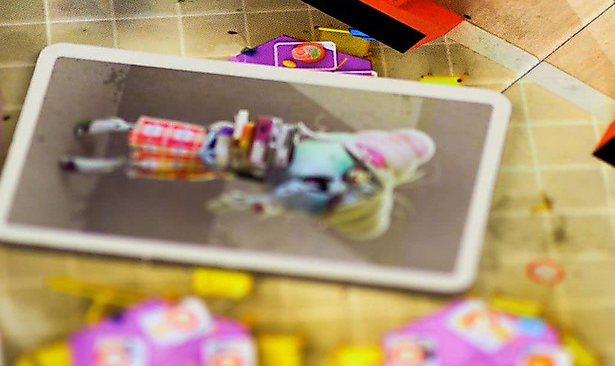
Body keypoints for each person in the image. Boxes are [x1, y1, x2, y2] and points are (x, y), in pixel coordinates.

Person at [60, 112, 434, 241]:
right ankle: (109, 138)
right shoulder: (343, 161)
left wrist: (259, 201)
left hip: (227, 160)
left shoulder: (345, 160)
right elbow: (293, 183)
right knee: (159, 148)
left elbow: (290, 189)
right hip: (229, 152)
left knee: (151, 158)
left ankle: (103, 153)